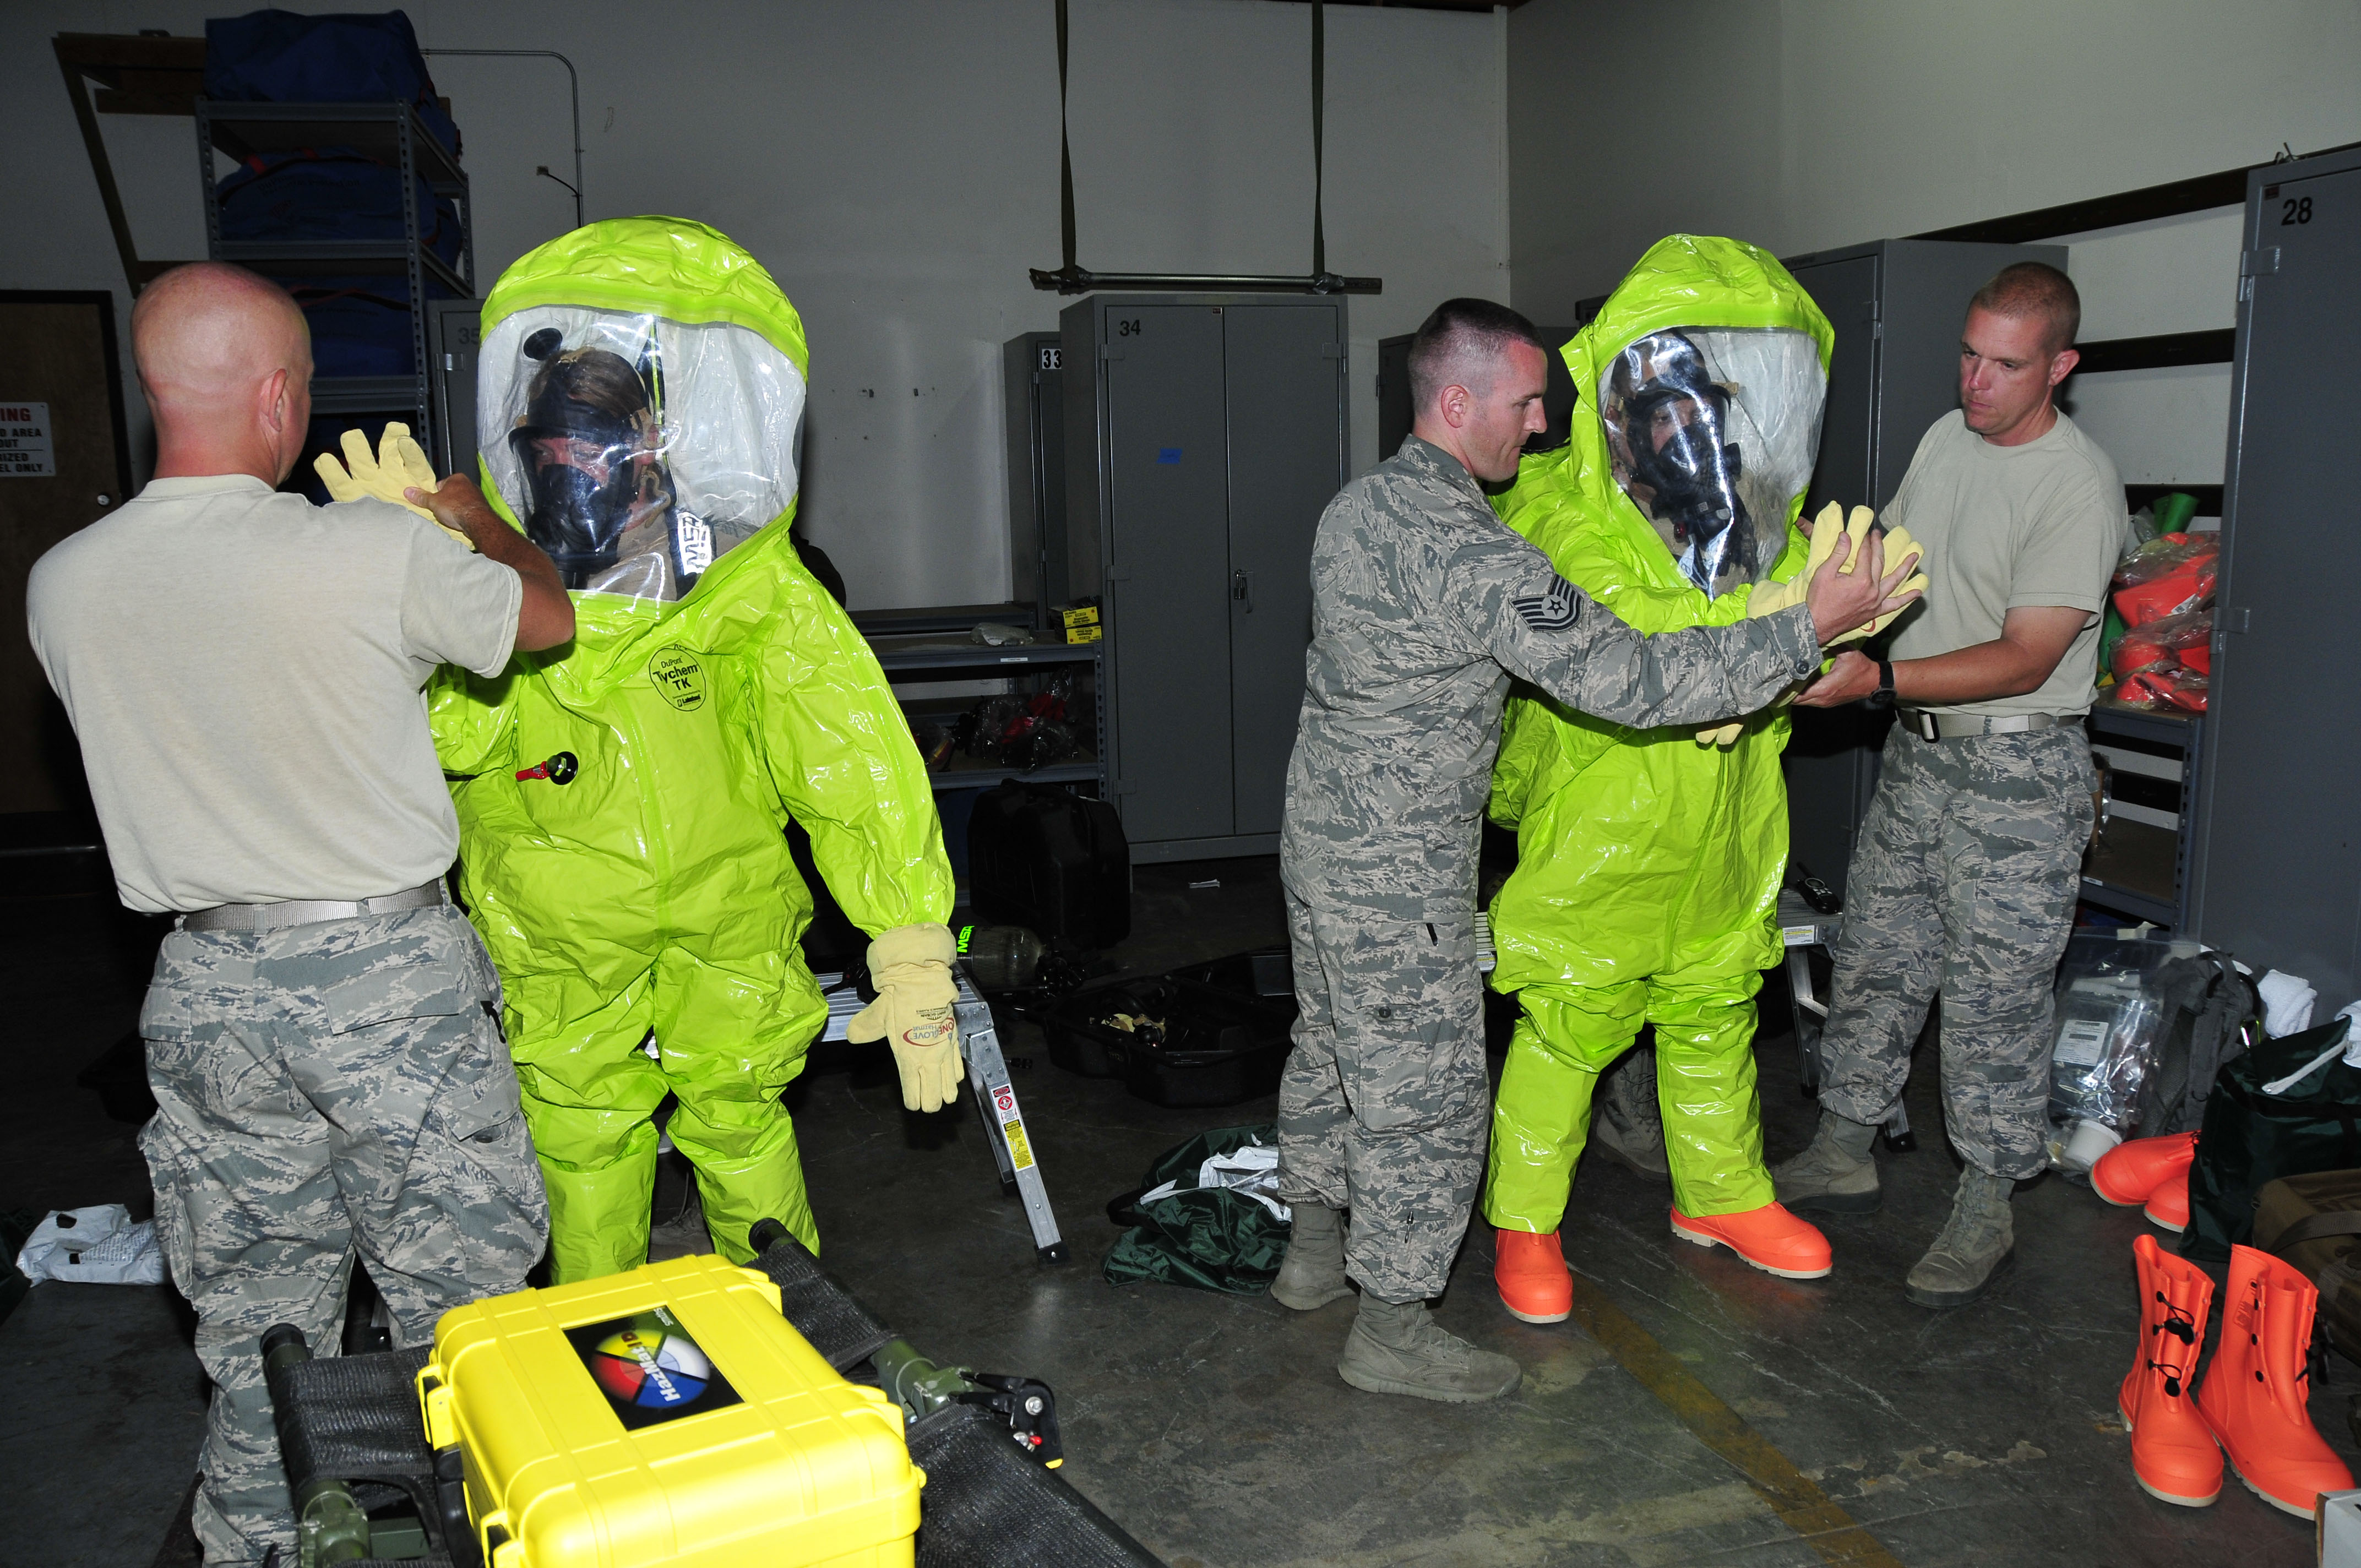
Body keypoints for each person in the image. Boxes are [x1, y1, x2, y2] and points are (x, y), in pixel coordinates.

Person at [1269, 296, 1921, 1402]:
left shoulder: (1358, 506)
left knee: (1332, 1046)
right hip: (1400, 869)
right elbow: (1633, 678)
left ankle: (1309, 1254)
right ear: (1458, 397)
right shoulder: (1463, 544)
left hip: (1322, 845)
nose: (1536, 428)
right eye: (1525, 402)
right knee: (1420, 1090)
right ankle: (1389, 1323)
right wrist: (1807, 623)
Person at [24, 262, 567, 1567]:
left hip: (205, 993)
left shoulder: (63, 580)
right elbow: (543, 621)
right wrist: (471, 521)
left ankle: (258, 1538)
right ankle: (482, 1537)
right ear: (280, 395)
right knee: (469, 1309)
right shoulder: (372, 551)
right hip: (386, 979)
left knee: (261, 1316)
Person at [427, 216, 961, 1283]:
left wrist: (909, 948)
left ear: (654, 450)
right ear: (522, 451)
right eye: (556, 451)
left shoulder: (745, 588)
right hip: (561, 938)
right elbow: (449, 739)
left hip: (728, 925)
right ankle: (599, 1370)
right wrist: (419, 588)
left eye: (599, 447)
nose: (579, 472)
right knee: (581, 1148)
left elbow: (848, 755)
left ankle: (788, 1343)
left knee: (742, 1127)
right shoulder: (488, 583)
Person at [1481, 235, 1924, 1321]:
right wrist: (1798, 625)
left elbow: (1775, 638)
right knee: (1570, 1015)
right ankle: (1524, 1221)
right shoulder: (1560, 514)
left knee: (1716, 1002)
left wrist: (1836, 655)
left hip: (1727, 816)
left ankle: (1720, 1192)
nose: (1705, 416)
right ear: (1627, 385)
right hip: (1605, 804)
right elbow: (1641, 642)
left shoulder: (1748, 526)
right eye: (1678, 387)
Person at [1772, 261, 2125, 1309]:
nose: (1977, 381)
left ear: (2060, 367)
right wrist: (1793, 548)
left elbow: (2026, 654)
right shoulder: (1945, 439)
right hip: (1924, 757)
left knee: (1993, 998)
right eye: (1969, 355)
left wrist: (1877, 678)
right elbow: (1886, 559)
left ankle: (1987, 1201)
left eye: (2005, 365)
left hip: (2018, 768)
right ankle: (1844, 1144)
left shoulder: (2077, 484)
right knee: (1877, 955)